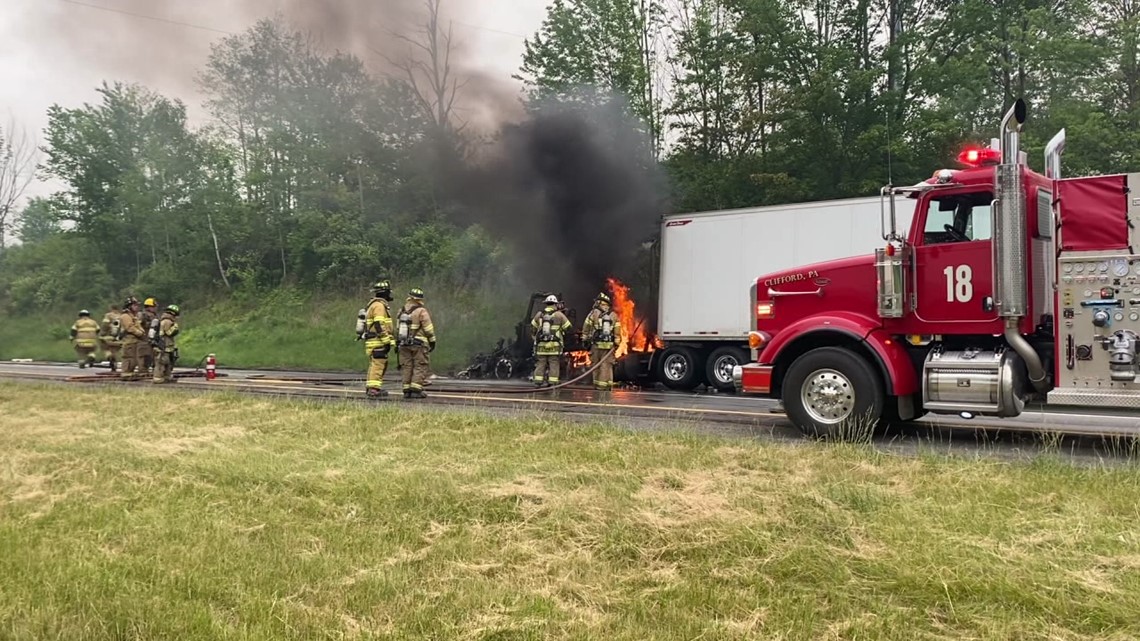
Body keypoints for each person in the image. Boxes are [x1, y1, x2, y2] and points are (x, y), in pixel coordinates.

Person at [396, 287, 436, 399]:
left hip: (403, 344)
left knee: (407, 366)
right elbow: (428, 329)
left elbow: (398, 328)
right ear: (420, 299)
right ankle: (416, 390)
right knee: (420, 365)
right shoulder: (421, 311)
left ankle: (406, 390)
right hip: (419, 344)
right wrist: (432, 341)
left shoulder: (401, 310)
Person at [358, 280, 395, 398]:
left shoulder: (373, 305)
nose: (390, 295)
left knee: (375, 364)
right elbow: (379, 324)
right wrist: (386, 341)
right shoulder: (379, 306)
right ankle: (374, 390)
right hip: (378, 341)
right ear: (384, 293)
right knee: (378, 364)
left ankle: (371, 388)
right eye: (388, 292)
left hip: (373, 341)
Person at [583, 292, 622, 391]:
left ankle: (598, 386)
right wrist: (617, 343)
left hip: (596, 345)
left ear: (600, 302)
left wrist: (585, 340)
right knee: (607, 365)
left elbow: (586, 327)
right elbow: (617, 331)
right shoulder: (613, 315)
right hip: (608, 346)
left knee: (596, 365)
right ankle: (606, 385)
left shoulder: (593, 314)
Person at [530, 294, 572, 387]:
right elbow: (569, 327)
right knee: (554, 363)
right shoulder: (559, 315)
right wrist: (561, 332)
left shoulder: (539, 314)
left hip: (541, 345)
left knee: (541, 363)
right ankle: (552, 382)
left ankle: (538, 382)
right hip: (555, 345)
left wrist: (534, 336)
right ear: (555, 304)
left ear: (546, 304)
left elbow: (532, 327)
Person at [118, 296, 146, 381]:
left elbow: (138, 326)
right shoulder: (125, 316)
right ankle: (126, 374)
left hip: (135, 341)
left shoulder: (134, 316)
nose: (137, 307)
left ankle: (130, 373)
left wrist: (142, 333)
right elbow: (130, 328)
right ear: (129, 306)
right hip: (129, 341)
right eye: (135, 305)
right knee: (129, 358)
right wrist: (140, 333)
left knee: (134, 359)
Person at [152, 304, 181, 384]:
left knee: (168, 362)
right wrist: (175, 327)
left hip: (167, 345)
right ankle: (158, 378)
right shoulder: (167, 321)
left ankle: (166, 377)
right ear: (173, 313)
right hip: (164, 345)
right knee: (162, 362)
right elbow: (169, 333)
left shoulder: (165, 320)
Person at [99, 304, 122, 372]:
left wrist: (102, 334)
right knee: (115, 350)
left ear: (111, 308)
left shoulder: (108, 315)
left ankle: (109, 357)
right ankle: (114, 361)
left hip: (108, 336)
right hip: (118, 338)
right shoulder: (121, 316)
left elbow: (105, 325)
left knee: (105, 348)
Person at [140, 297, 159, 376]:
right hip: (145, 339)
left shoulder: (155, 316)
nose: (155, 308)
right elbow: (139, 325)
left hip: (153, 339)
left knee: (154, 355)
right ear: (148, 307)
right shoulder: (142, 315)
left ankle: (154, 370)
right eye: (153, 306)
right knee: (146, 356)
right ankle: (144, 371)